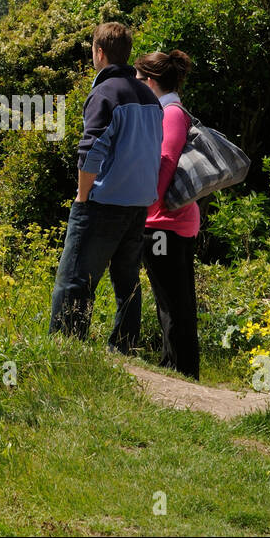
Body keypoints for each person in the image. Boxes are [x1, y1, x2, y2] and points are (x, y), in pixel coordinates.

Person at [49, 22, 163, 352]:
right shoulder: (148, 96)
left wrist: (82, 197)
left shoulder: (104, 93)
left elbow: (92, 148)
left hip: (104, 203)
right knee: (127, 282)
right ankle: (124, 347)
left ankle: (65, 350)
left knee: (74, 280)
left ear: (100, 53)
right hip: (138, 204)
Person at [135, 50, 201, 379]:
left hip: (164, 224)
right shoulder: (170, 109)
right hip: (171, 222)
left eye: (138, 79)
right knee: (172, 299)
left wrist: (147, 207)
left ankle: (182, 371)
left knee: (173, 302)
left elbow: (166, 162)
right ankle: (175, 365)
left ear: (150, 81)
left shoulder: (171, 113)